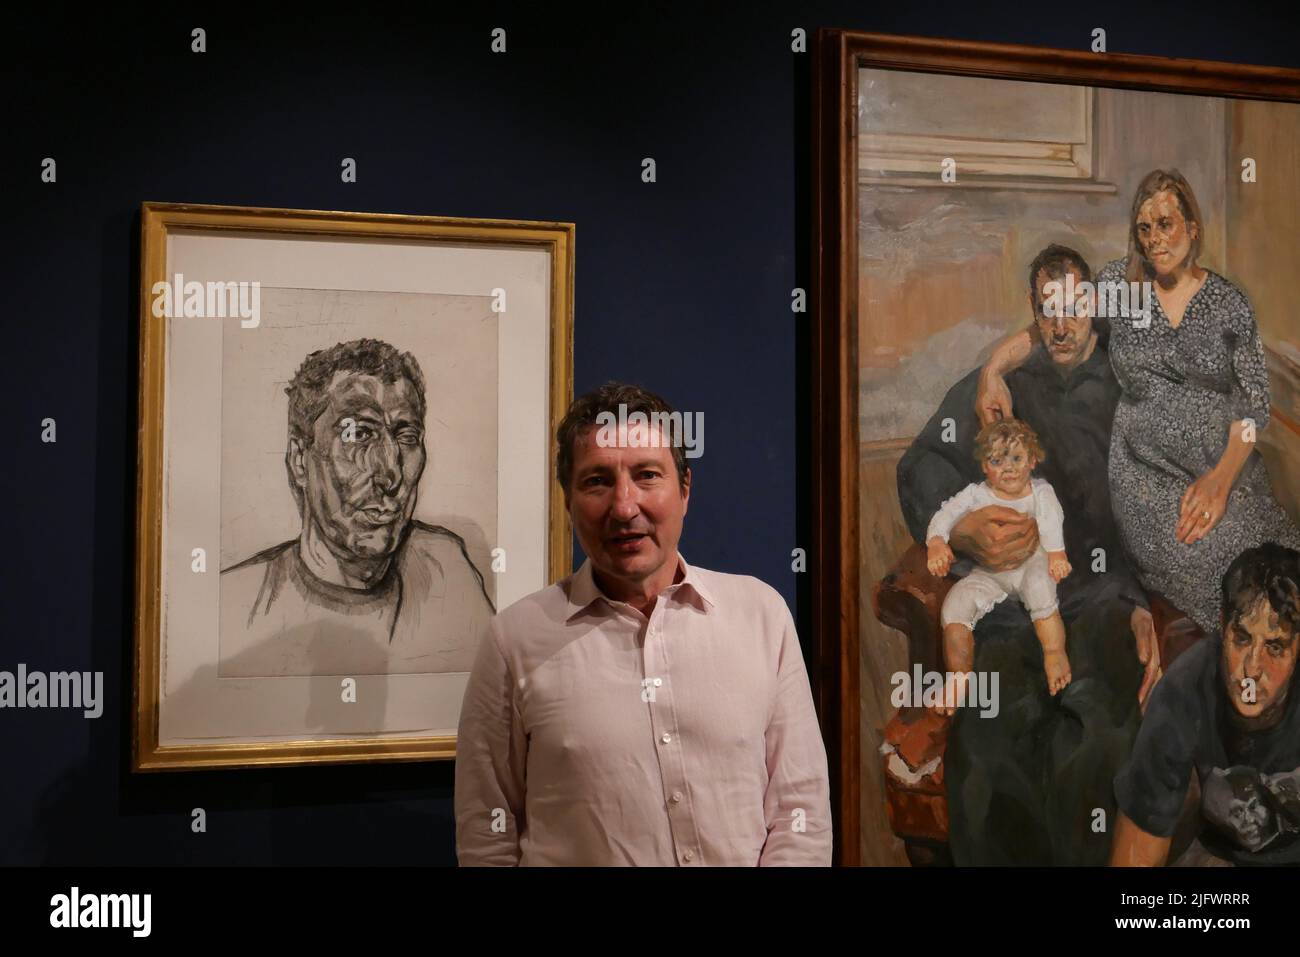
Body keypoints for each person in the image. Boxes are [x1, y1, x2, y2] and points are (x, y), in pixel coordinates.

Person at [454, 382, 831, 866]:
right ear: (568, 501)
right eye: (597, 481)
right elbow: (487, 831)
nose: (624, 507)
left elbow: (800, 810)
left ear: (685, 489)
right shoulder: (514, 641)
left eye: (647, 475)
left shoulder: (762, 615)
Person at [897, 244, 1155, 865]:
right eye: (1047, 311)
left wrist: (1144, 604)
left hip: (1099, 595)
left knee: (1094, 748)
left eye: (1073, 307)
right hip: (1008, 600)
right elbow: (919, 467)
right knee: (989, 746)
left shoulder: (1131, 374)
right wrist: (961, 534)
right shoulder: (1004, 387)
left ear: (1094, 304)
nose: (1061, 325)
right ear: (1034, 317)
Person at [978, 170, 1300, 635]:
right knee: (1225, 570)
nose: (1153, 240)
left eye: (1165, 224)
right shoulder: (1123, 287)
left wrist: (1220, 481)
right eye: (1144, 228)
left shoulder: (1229, 304)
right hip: (1146, 476)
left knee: (1281, 562)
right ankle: (1242, 657)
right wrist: (992, 369)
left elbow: (1253, 409)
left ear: (1192, 227)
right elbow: (1054, 321)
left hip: (1224, 469)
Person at [220, 338, 494, 677]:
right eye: (358, 434)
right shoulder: (236, 605)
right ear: (299, 460)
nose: (391, 472)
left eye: (406, 436)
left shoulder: (446, 568)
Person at [1111, 542, 1300, 866]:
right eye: (1241, 638)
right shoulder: (1183, 691)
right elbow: (1135, 858)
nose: (1252, 669)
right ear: (1222, 624)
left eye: (1275, 647)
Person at [926, 419, 1073, 706]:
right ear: (984, 465)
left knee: (1040, 588)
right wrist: (936, 542)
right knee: (955, 605)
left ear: (1032, 460)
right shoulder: (976, 494)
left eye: (1017, 458)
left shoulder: (1040, 492)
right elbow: (946, 513)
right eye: (997, 460)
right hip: (991, 573)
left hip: (1031, 564)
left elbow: (1052, 519)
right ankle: (958, 677)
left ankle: (1055, 653)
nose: (1009, 468)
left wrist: (1056, 553)